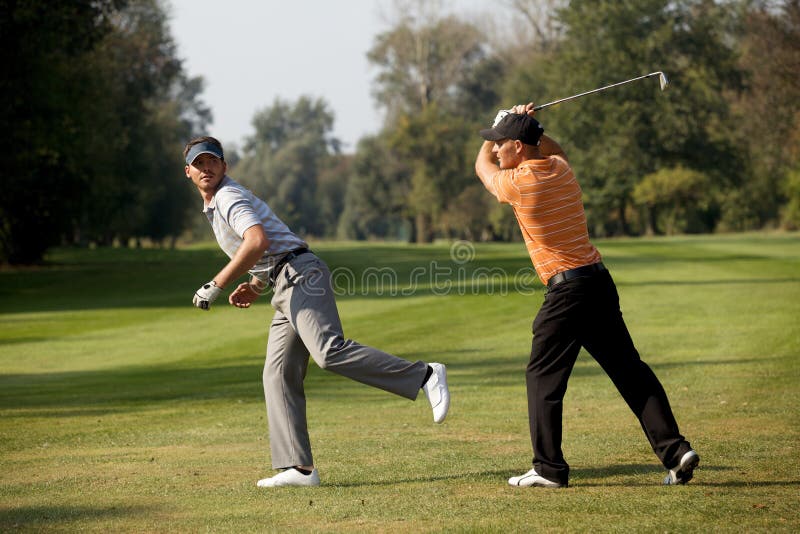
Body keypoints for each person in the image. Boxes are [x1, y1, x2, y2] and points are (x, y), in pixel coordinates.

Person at [183, 136, 450, 488]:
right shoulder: (217, 203)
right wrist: (257, 284)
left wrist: (216, 284)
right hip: (285, 280)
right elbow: (272, 245)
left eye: (212, 161)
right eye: (199, 164)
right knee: (278, 373)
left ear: (224, 166)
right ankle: (300, 468)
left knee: (328, 351)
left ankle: (425, 375)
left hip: (300, 276)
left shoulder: (228, 196)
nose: (206, 168)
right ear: (188, 172)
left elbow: (257, 241)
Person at [474, 105, 699, 488]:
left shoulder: (520, 182)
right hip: (597, 283)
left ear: (517, 146)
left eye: (499, 143)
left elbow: (482, 169)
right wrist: (529, 126)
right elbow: (554, 149)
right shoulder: (560, 169)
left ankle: (549, 469)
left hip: (567, 293)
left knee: (542, 376)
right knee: (630, 371)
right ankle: (676, 452)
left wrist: (500, 125)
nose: (494, 149)